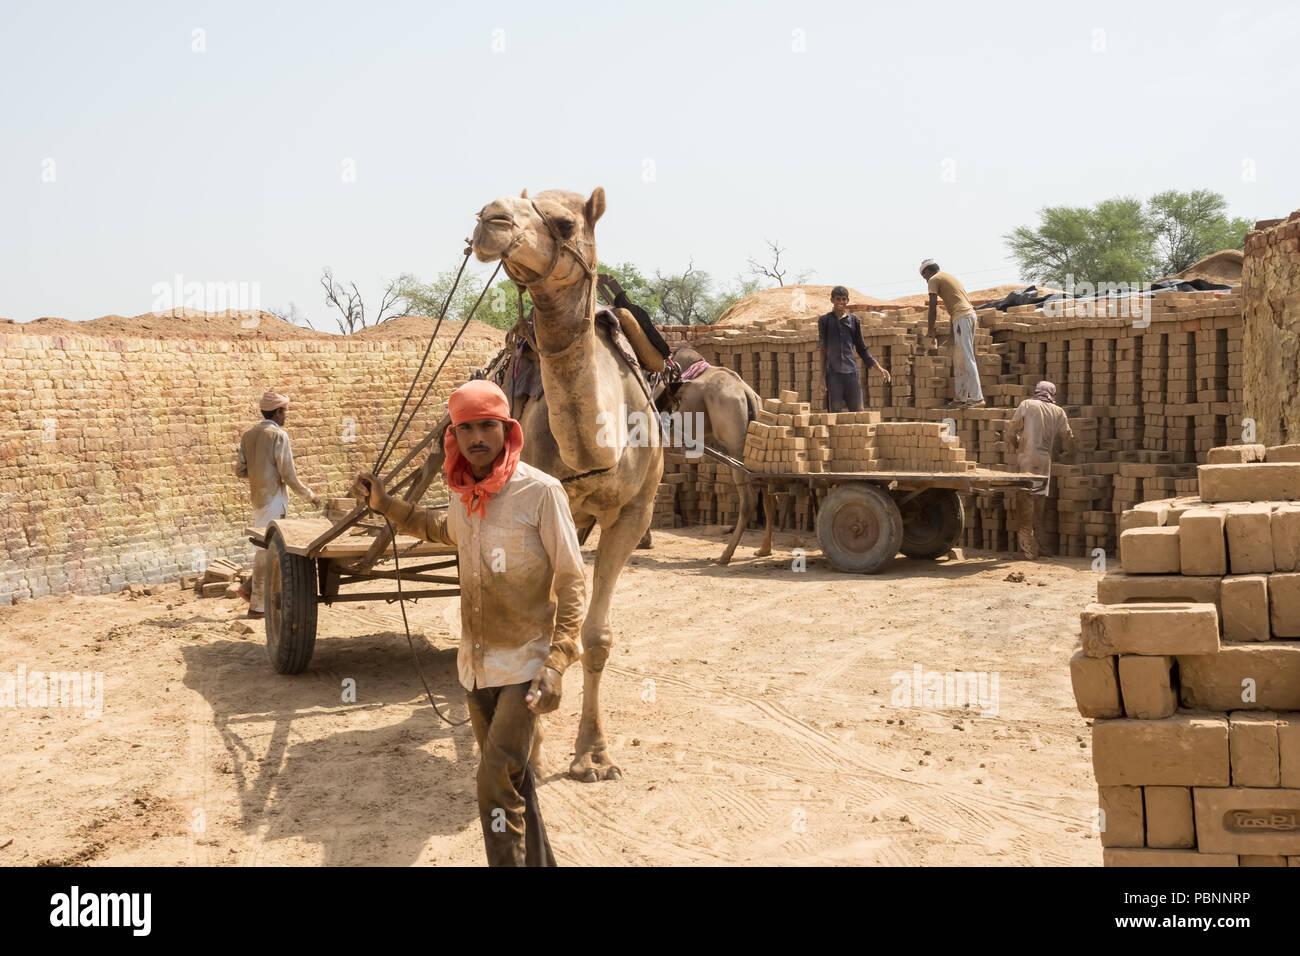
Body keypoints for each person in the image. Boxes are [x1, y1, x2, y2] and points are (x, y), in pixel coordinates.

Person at [352, 379, 586, 867]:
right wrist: (385, 506)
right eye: (466, 428)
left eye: (487, 426)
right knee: (515, 779)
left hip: (526, 665)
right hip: (476, 667)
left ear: (506, 430)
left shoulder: (541, 492)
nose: (477, 437)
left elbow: (571, 580)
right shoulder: (463, 494)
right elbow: (440, 529)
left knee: (493, 782)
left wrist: (558, 663)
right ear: (453, 437)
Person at [234, 390, 319, 619]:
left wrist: (259, 471)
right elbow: (288, 475)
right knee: (267, 551)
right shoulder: (279, 436)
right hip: (274, 500)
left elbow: (240, 470)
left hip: (258, 499)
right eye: (285, 412)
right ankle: (256, 606)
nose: (286, 417)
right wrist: (310, 496)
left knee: (265, 547)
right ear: (278, 412)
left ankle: (251, 590)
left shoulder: (248, 435)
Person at [1005, 381, 1076, 560]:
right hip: (1045, 462)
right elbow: (1067, 436)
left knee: (1025, 503)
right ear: (1052, 394)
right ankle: (1043, 547)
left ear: (1036, 391)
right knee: (1038, 505)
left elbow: (1011, 432)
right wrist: (1071, 454)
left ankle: (1028, 551)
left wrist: (1016, 447)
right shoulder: (1058, 411)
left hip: (1027, 458)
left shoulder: (1027, 405)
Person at [920, 259, 985, 408]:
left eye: (924, 277)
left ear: (927, 272)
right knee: (959, 359)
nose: (925, 281)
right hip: (963, 317)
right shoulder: (947, 277)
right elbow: (954, 305)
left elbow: (932, 306)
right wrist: (952, 333)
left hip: (963, 317)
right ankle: (960, 398)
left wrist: (931, 330)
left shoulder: (934, 279)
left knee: (967, 357)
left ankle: (977, 398)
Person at [817, 285, 891, 412]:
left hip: (851, 374)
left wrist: (879, 368)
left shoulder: (854, 320)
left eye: (844, 299)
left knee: (858, 413)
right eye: (838, 299)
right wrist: (822, 379)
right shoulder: (825, 321)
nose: (841, 302)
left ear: (848, 301)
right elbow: (823, 350)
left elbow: (862, 348)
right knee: (834, 415)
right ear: (832, 300)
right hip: (834, 375)